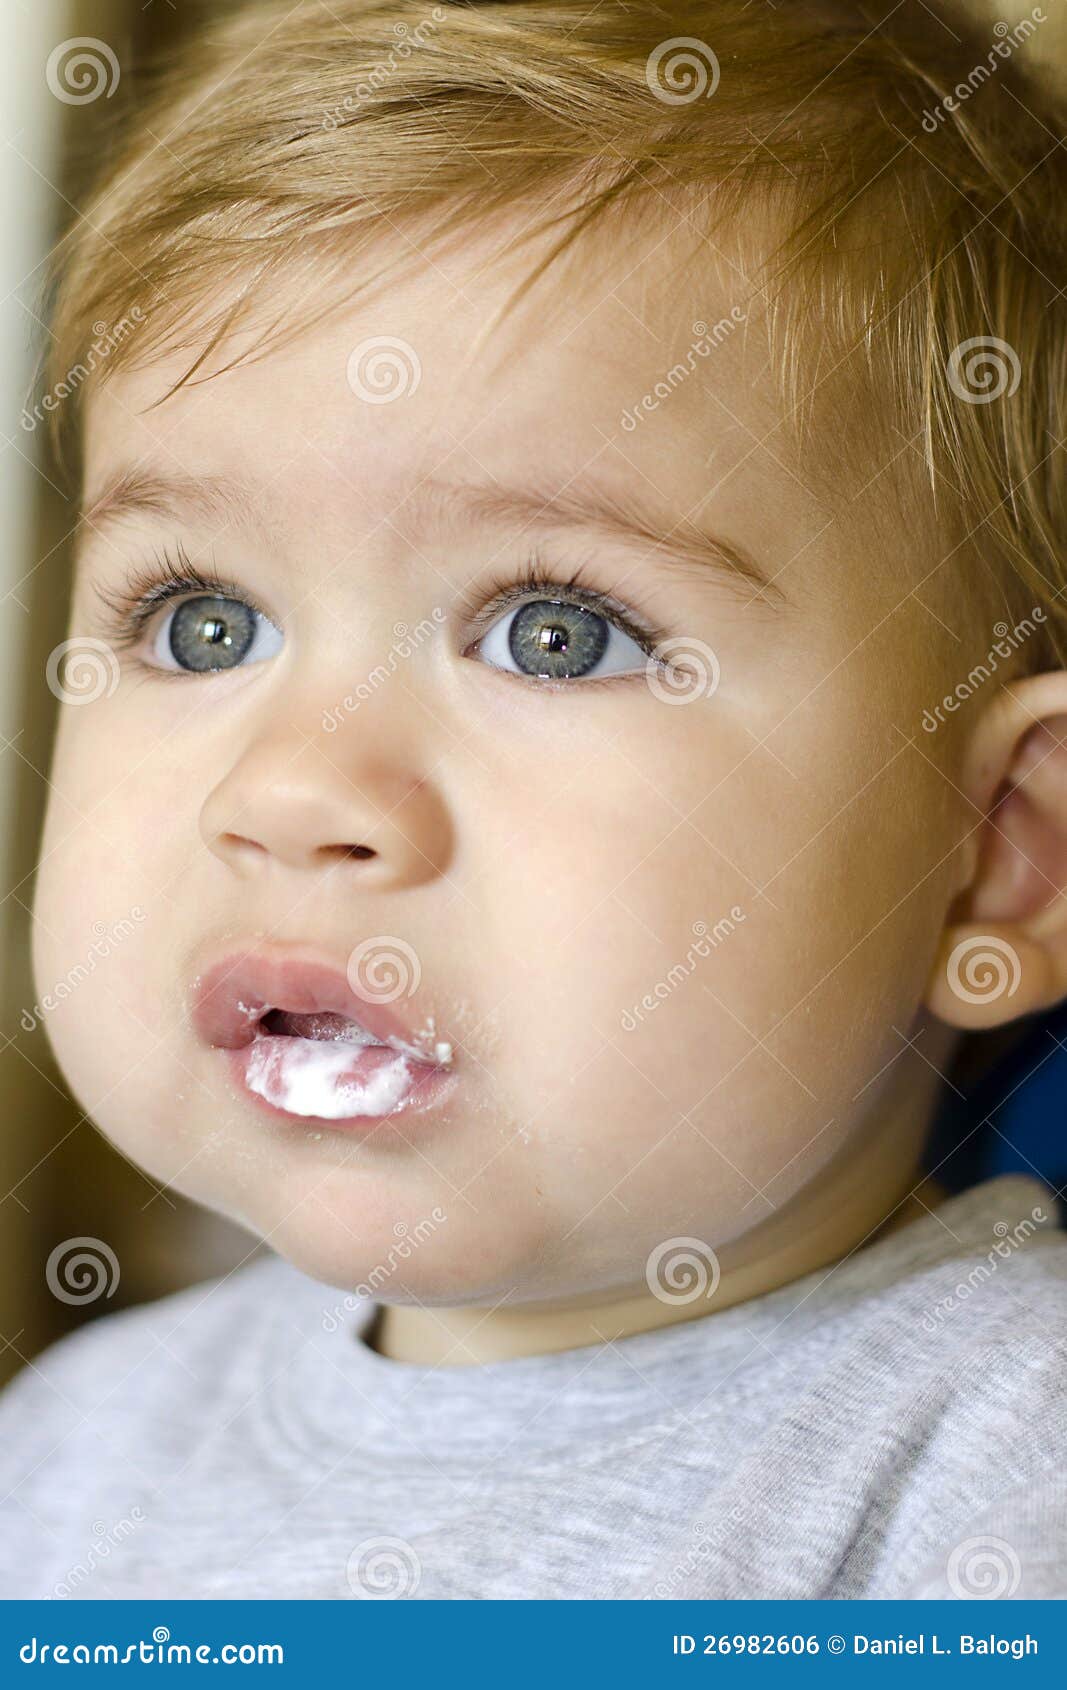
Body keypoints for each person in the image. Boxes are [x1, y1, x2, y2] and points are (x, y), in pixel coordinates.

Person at [3, 0, 1066, 1599]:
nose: (290, 790)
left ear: (995, 855)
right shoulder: (68, 1451)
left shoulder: (995, 1468)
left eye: (554, 634)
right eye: (201, 621)